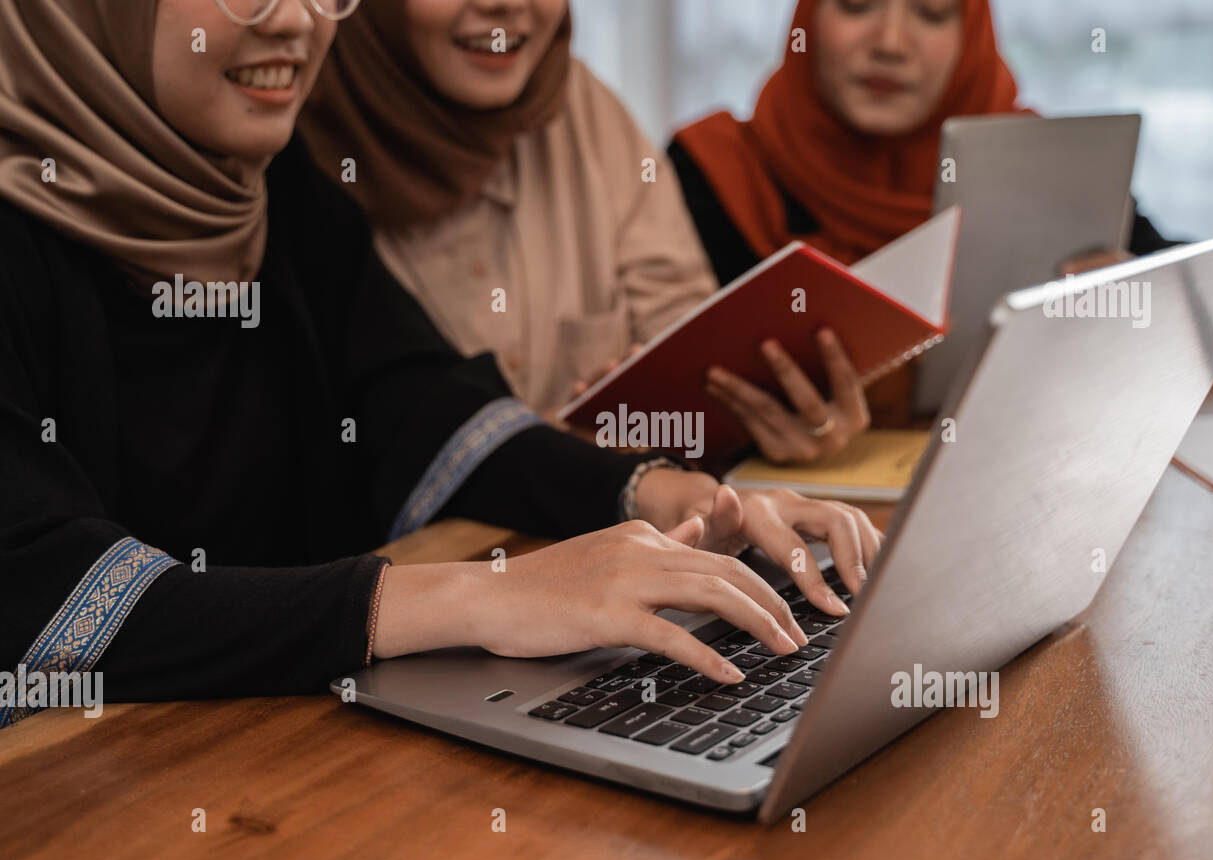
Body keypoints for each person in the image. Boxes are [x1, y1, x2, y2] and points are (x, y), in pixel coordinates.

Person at [0, 0, 883, 727]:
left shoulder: (263, 190)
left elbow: (412, 401)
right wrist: (476, 598)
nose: (298, 21)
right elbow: (34, 583)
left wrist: (658, 495)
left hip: (263, 736)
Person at [669, 0, 1213, 454]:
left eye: (932, 13)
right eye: (856, 4)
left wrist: (1146, 303)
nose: (890, 43)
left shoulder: (1044, 166)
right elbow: (670, 406)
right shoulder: (716, 170)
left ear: (972, 34)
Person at [298, 0, 873, 465]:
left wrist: (766, 417)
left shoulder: (580, 106)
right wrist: (559, 460)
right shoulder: (288, 153)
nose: (505, 5)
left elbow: (693, 351)